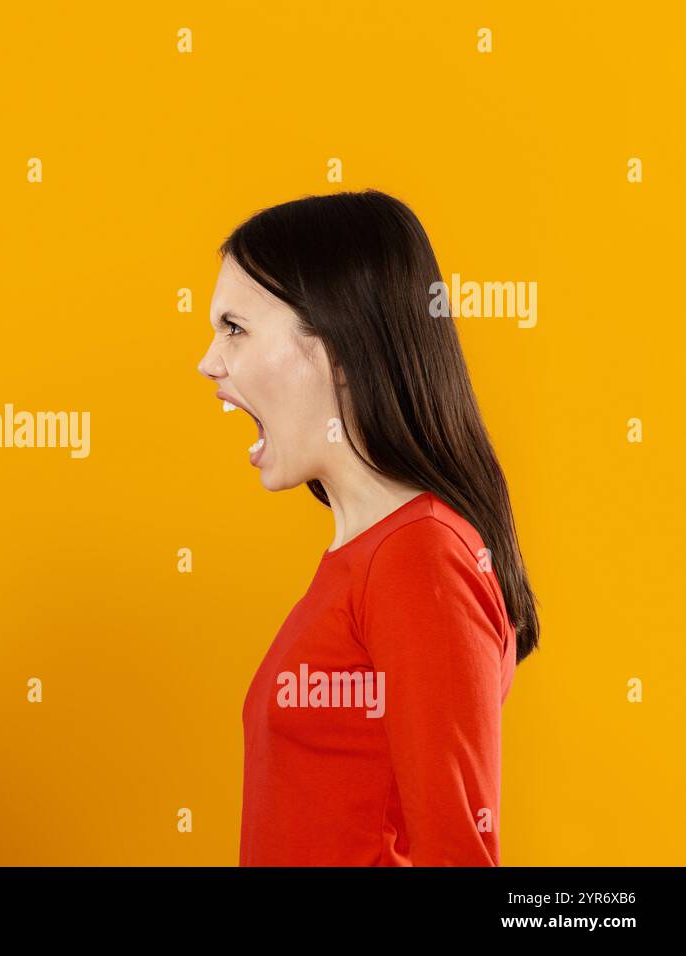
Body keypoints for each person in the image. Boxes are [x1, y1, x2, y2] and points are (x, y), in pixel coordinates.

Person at [197, 190, 538, 865]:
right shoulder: (371, 557)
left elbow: (457, 856)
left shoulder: (421, 559)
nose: (208, 361)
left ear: (342, 352)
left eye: (235, 327)